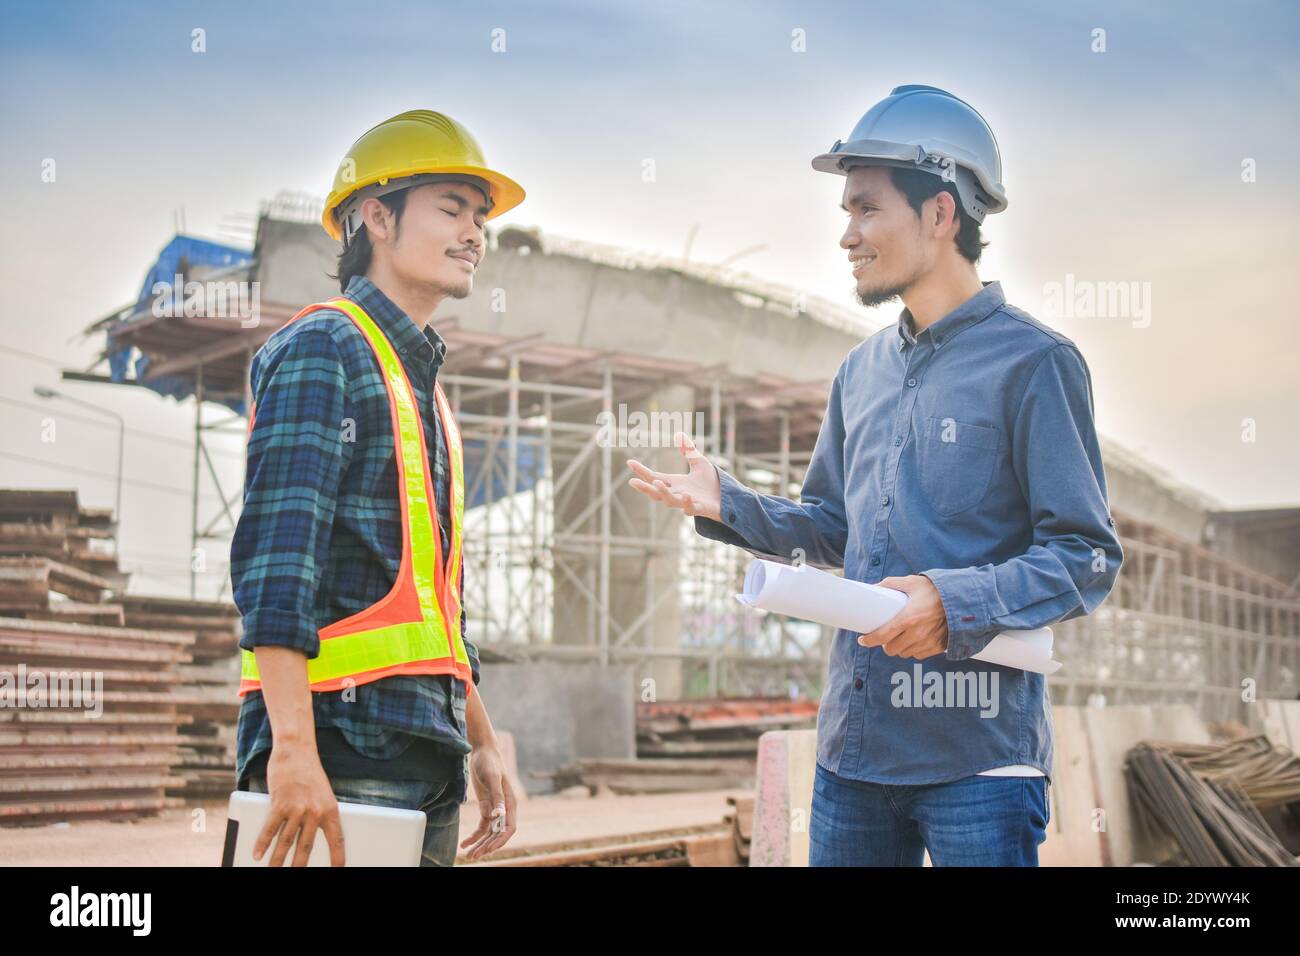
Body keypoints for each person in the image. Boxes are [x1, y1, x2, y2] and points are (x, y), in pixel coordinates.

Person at [627, 85, 1123, 866]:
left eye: (866, 210)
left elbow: (1086, 558)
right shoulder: (860, 373)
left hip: (979, 761)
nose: (847, 235)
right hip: (853, 755)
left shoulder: (1036, 364)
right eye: (846, 214)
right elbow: (834, 532)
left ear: (940, 214)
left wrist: (949, 599)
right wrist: (732, 504)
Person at [230, 110, 524, 866]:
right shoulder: (323, 349)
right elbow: (275, 568)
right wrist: (292, 752)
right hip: (341, 746)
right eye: (451, 208)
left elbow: (432, 606)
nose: (474, 234)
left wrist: (482, 741)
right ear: (377, 217)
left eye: (480, 217)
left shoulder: (417, 382)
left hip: (425, 749)